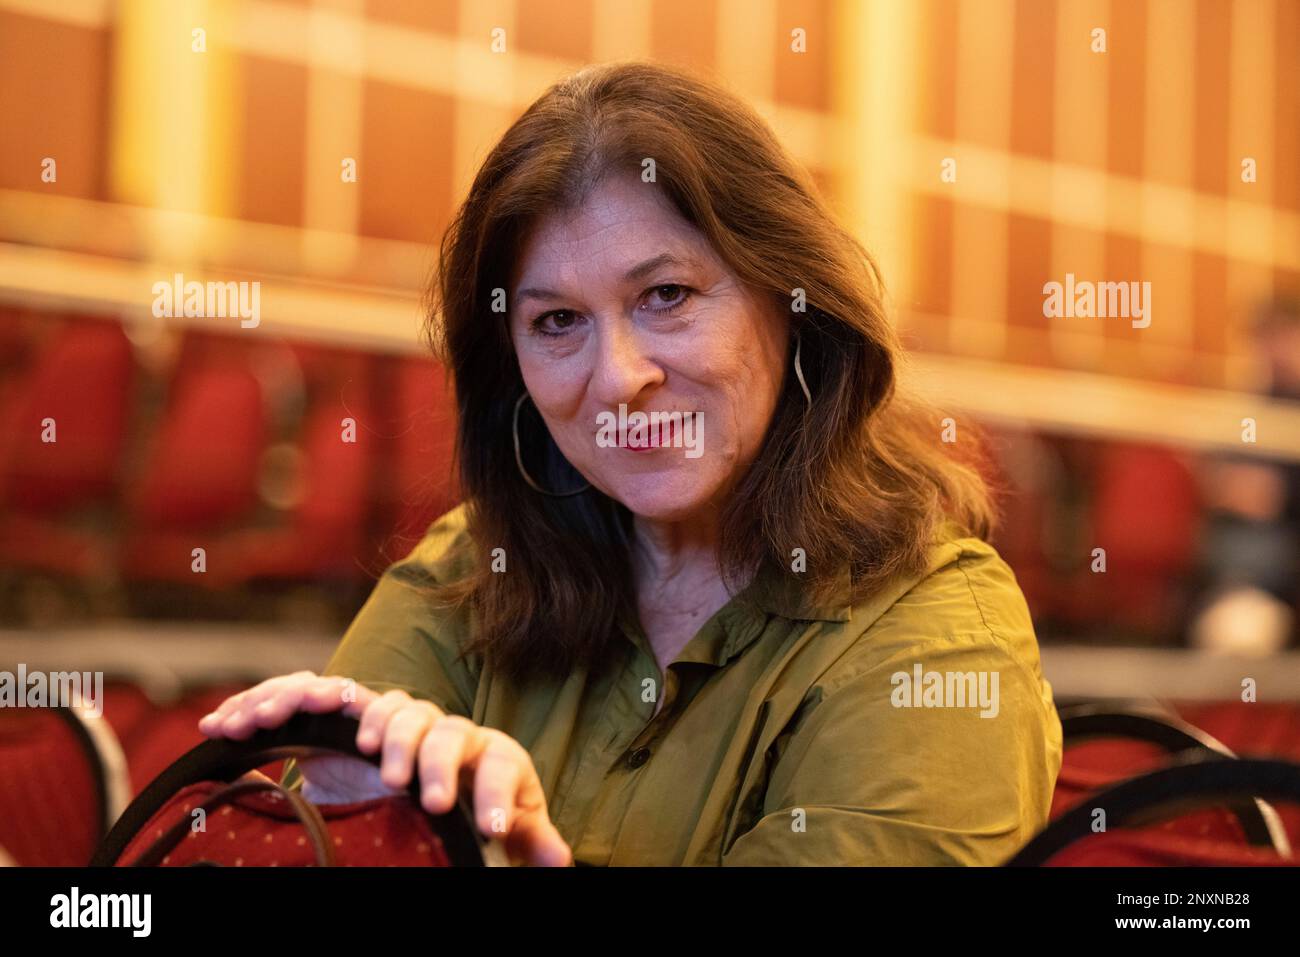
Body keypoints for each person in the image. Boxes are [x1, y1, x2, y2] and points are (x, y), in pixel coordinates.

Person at [199, 60, 1062, 866]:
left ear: (791, 302)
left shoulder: (939, 642)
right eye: (557, 322)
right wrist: (350, 824)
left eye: (667, 296)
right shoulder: (470, 569)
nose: (617, 379)